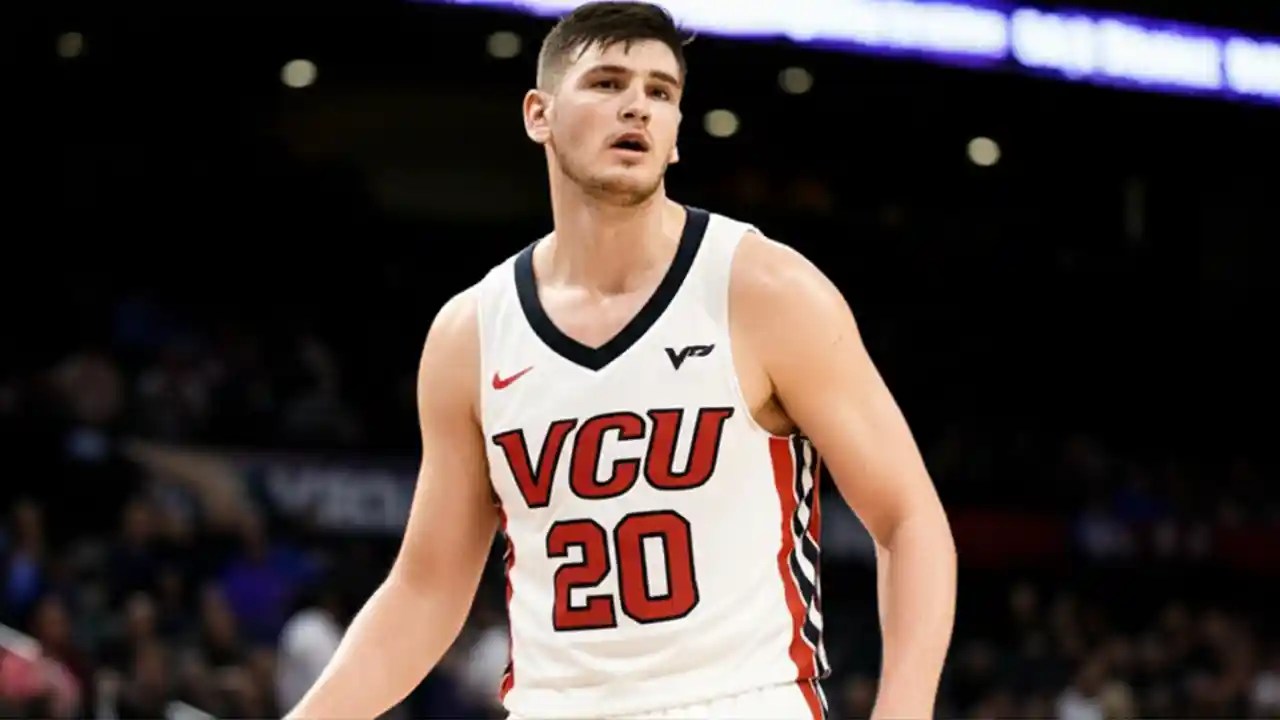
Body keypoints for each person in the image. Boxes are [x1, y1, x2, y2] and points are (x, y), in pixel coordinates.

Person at [285, 2, 956, 719]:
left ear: (674, 139)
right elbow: (426, 591)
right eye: (607, 83)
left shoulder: (764, 289)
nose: (637, 106)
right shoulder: (470, 333)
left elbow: (909, 521)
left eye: (660, 92)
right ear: (538, 115)